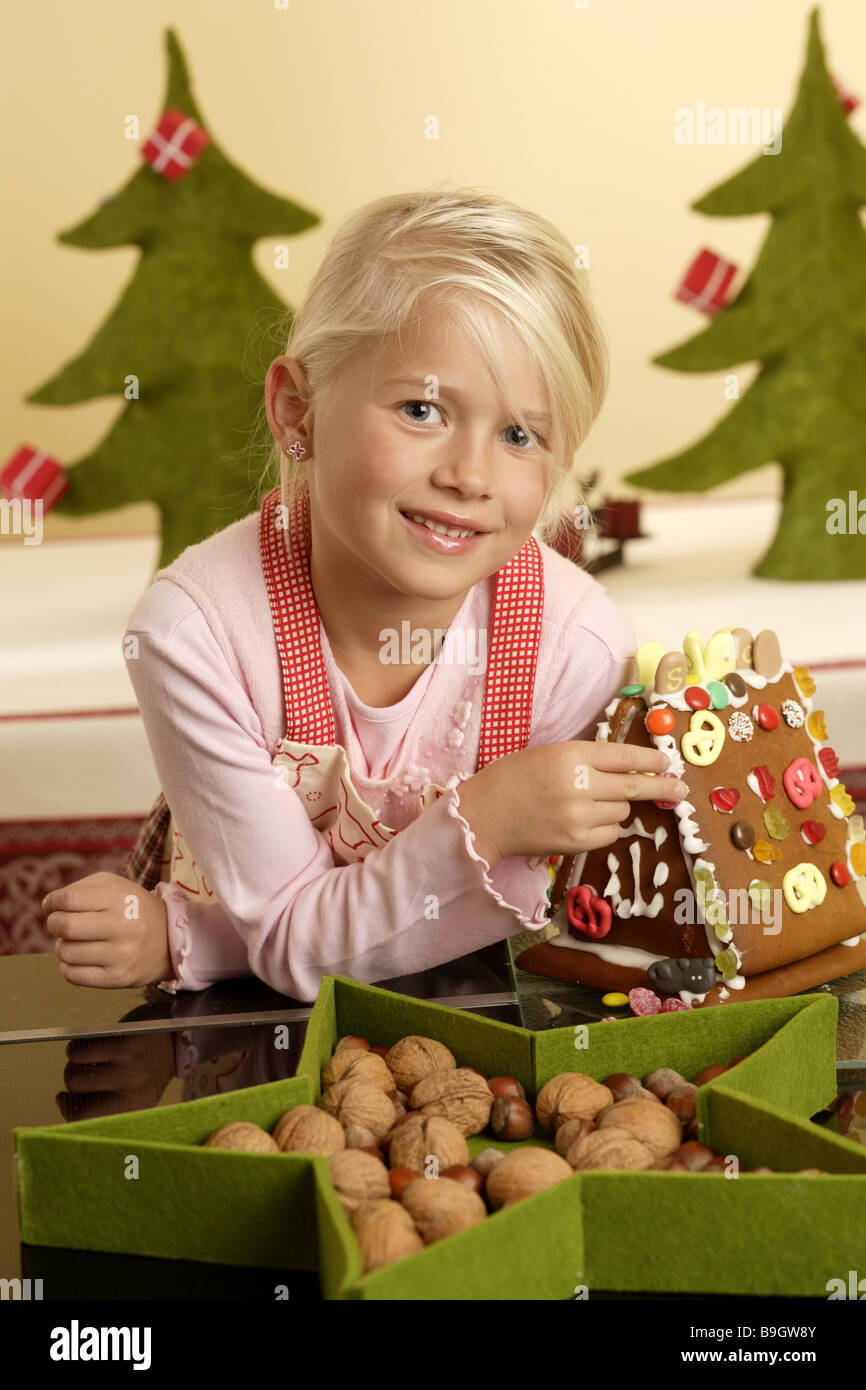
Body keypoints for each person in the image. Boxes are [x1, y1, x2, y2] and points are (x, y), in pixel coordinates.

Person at [42, 186, 689, 1001]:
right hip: (265, 1034)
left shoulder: (575, 645)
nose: (469, 476)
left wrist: (200, 939)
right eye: (422, 409)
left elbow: (566, 924)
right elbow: (291, 944)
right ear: (296, 410)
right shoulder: (194, 633)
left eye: (521, 434)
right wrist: (485, 823)